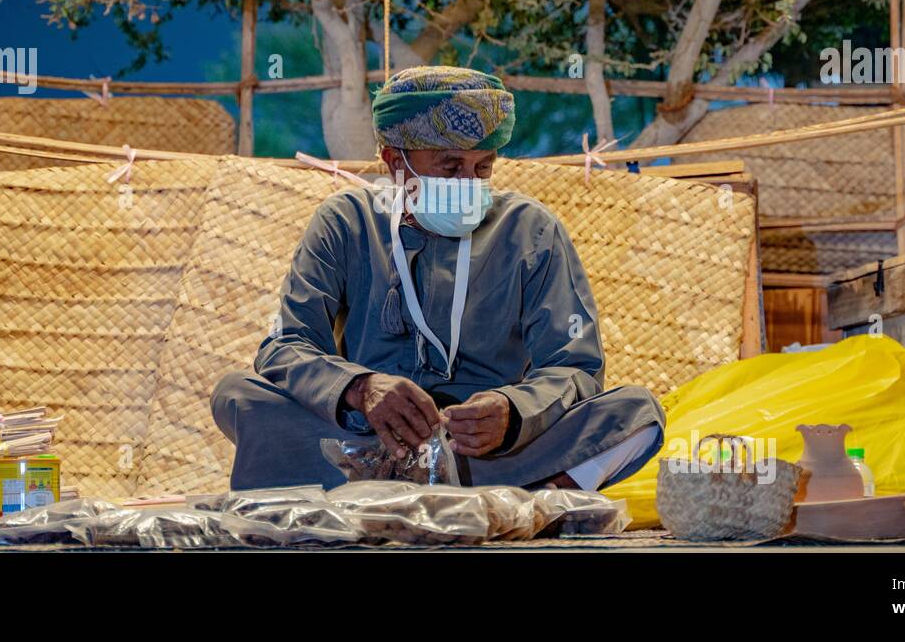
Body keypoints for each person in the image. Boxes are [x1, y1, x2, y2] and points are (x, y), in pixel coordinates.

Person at [212, 65, 665, 491]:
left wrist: (513, 412)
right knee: (239, 396)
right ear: (395, 162)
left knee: (636, 412)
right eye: (450, 167)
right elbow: (284, 345)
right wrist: (359, 388)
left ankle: (505, 497)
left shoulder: (530, 228)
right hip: (363, 440)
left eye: (482, 167)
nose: (469, 182)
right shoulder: (346, 222)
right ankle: (500, 499)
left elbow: (576, 367)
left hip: (482, 450)